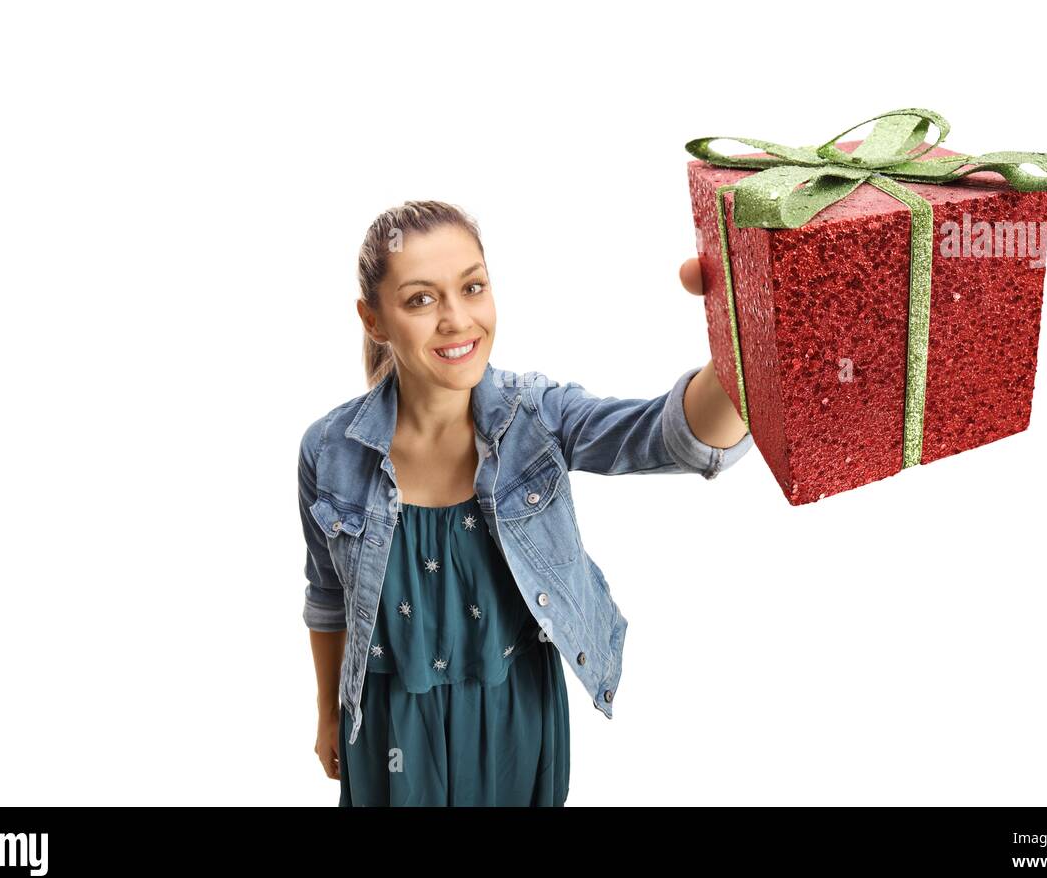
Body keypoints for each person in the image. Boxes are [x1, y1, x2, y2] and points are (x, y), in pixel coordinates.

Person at [300, 200, 752, 806]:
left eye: (473, 287)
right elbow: (327, 596)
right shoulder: (328, 450)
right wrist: (329, 713)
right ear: (373, 320)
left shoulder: (536, 416)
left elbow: (668, 436)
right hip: (387, 719)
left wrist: (746, 338)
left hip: (513, 712)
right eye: (420, 299)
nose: (457, 319)